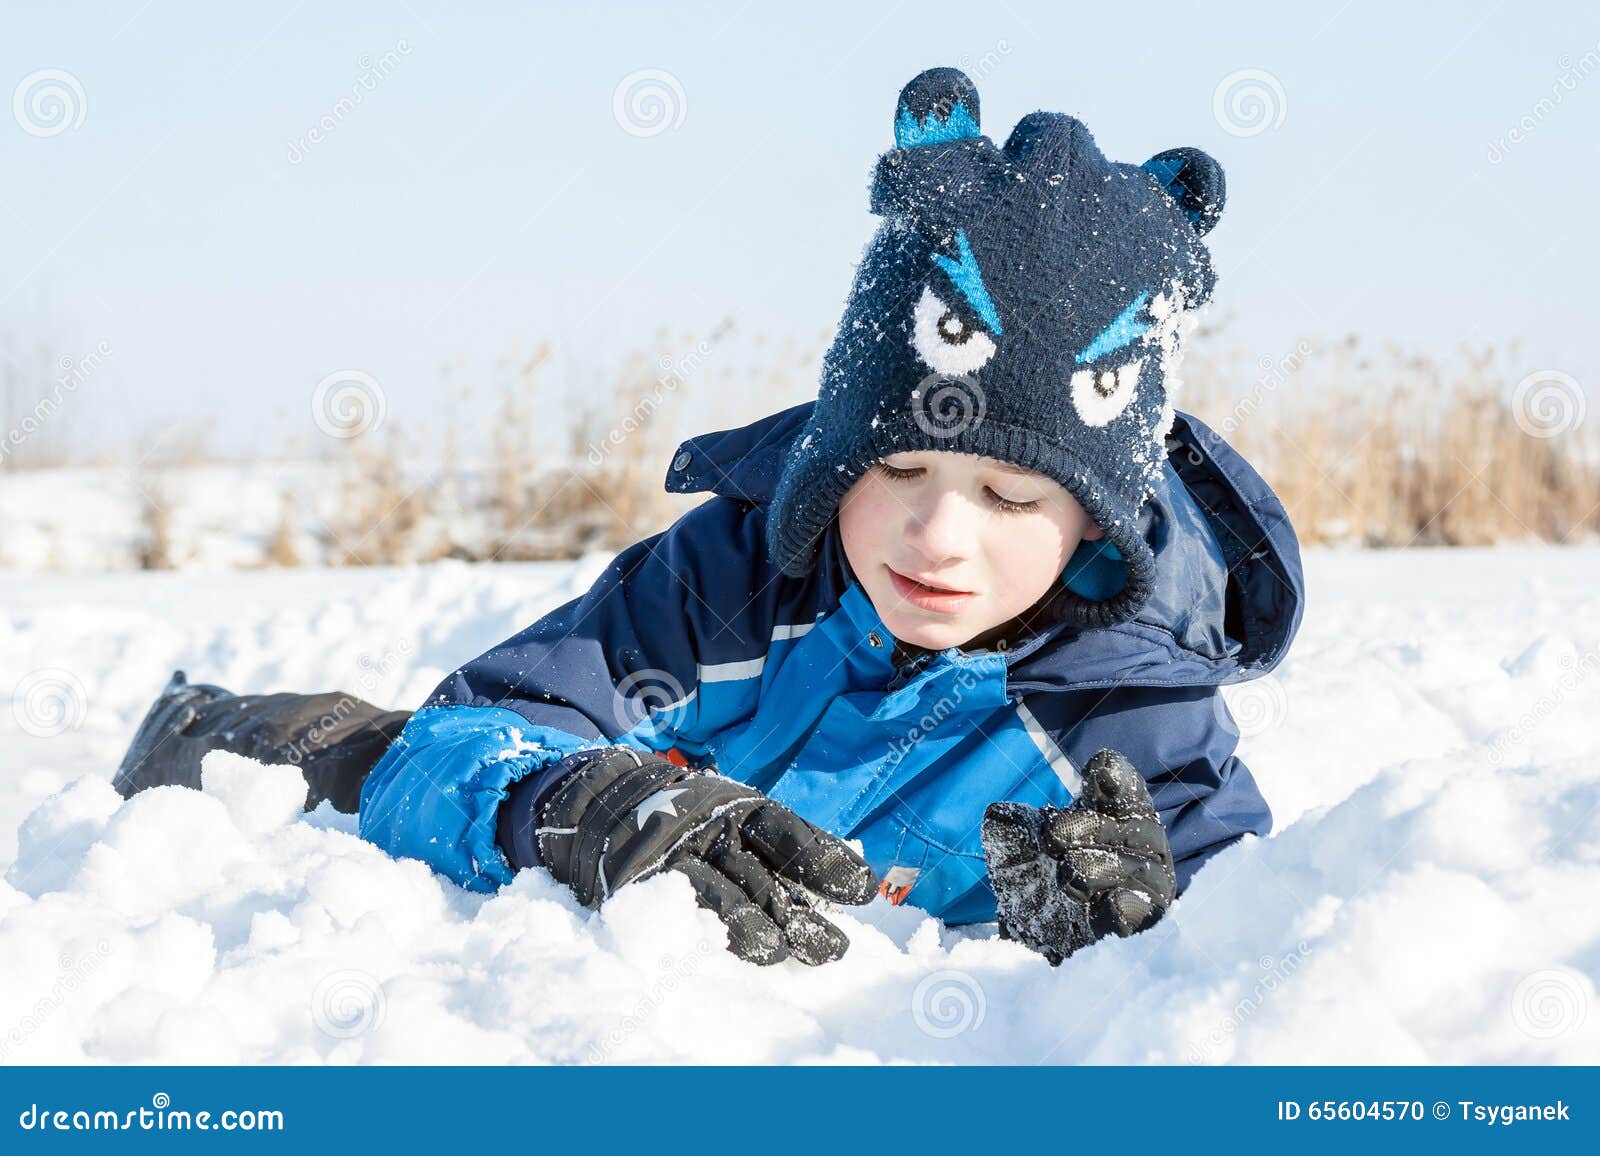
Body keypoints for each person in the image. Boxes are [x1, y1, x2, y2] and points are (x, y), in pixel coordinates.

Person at [114, 67, 1305, 969]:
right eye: (894, 471)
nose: (938, 536)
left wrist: (1125, 932)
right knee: (379, 772)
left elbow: (1256, 951)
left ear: (1093, 524)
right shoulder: (730, 578)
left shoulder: (1132, 717)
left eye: (1006, 496)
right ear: (837, 456)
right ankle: (210, 729)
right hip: (628, 944)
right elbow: (476, 728)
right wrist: (573, 807)